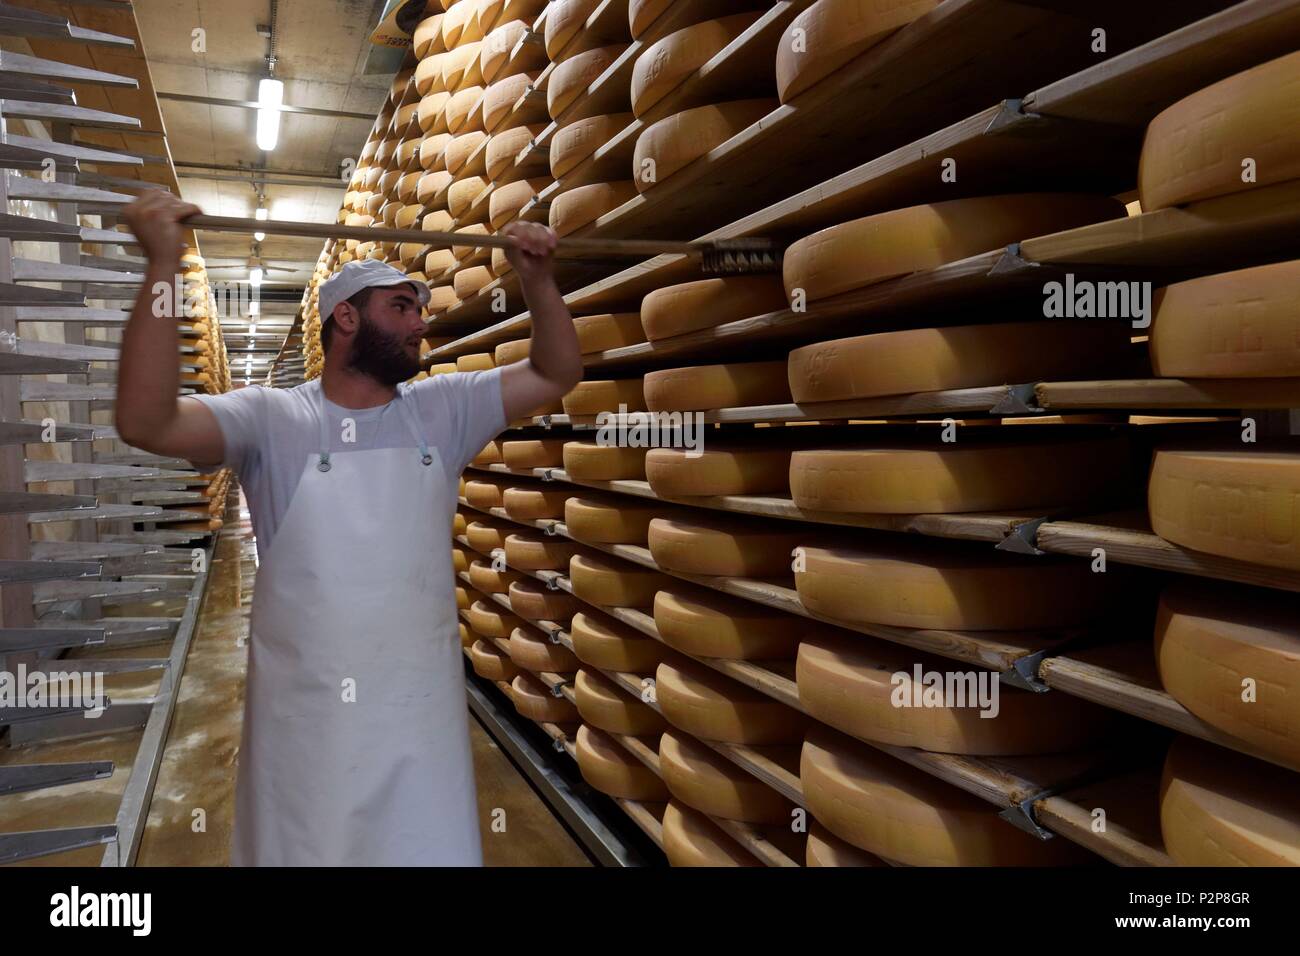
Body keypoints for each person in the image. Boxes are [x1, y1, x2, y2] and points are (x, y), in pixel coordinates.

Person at [117, 190, 583, 866]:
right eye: (401, 308)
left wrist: (537, 279)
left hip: (419, 717)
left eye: (420, 309)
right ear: (345, 318)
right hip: (309, 725)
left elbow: (555, 372)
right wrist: (162, 267)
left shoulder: (443, 410)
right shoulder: (273, 419)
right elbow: (145, 421)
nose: (419, 323)